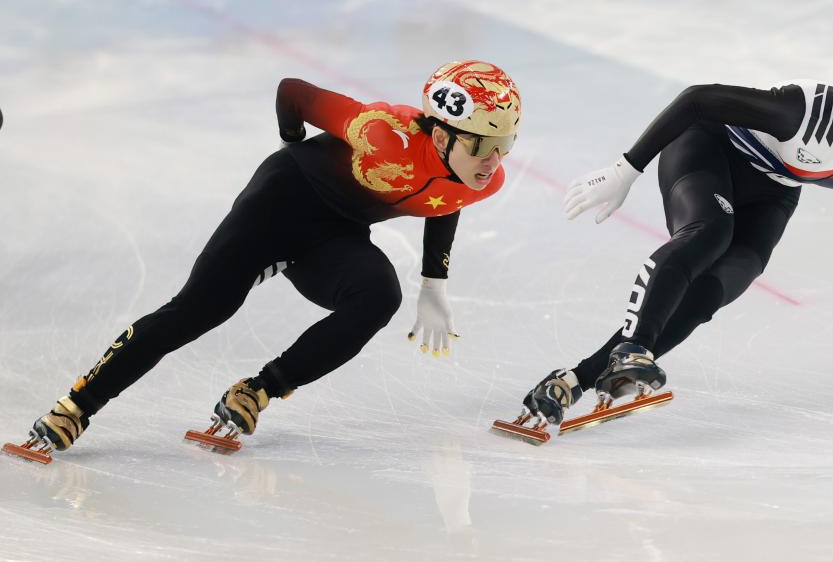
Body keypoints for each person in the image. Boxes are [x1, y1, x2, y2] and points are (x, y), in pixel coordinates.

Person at [12, 60, 521, 460]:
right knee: (198, 311)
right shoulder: (380, 131)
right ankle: (78, 404)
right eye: (482, 144)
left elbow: (447, 200)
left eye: (504, 144)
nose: (494, 161)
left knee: (378, 297)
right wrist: (293, 153)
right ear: (439, 134)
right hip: (279, 204)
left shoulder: (485, 177)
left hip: (336, 233)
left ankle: (258, 391)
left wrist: (434, 284)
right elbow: (292, 91)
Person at [519, 32, 833, 426]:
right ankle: (635, 348)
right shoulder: (804, 112)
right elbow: (698, 100)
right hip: (708, 150)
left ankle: (574, 379)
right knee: (710, 234)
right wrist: (627, 169)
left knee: (720, 286)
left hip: (775, 188)